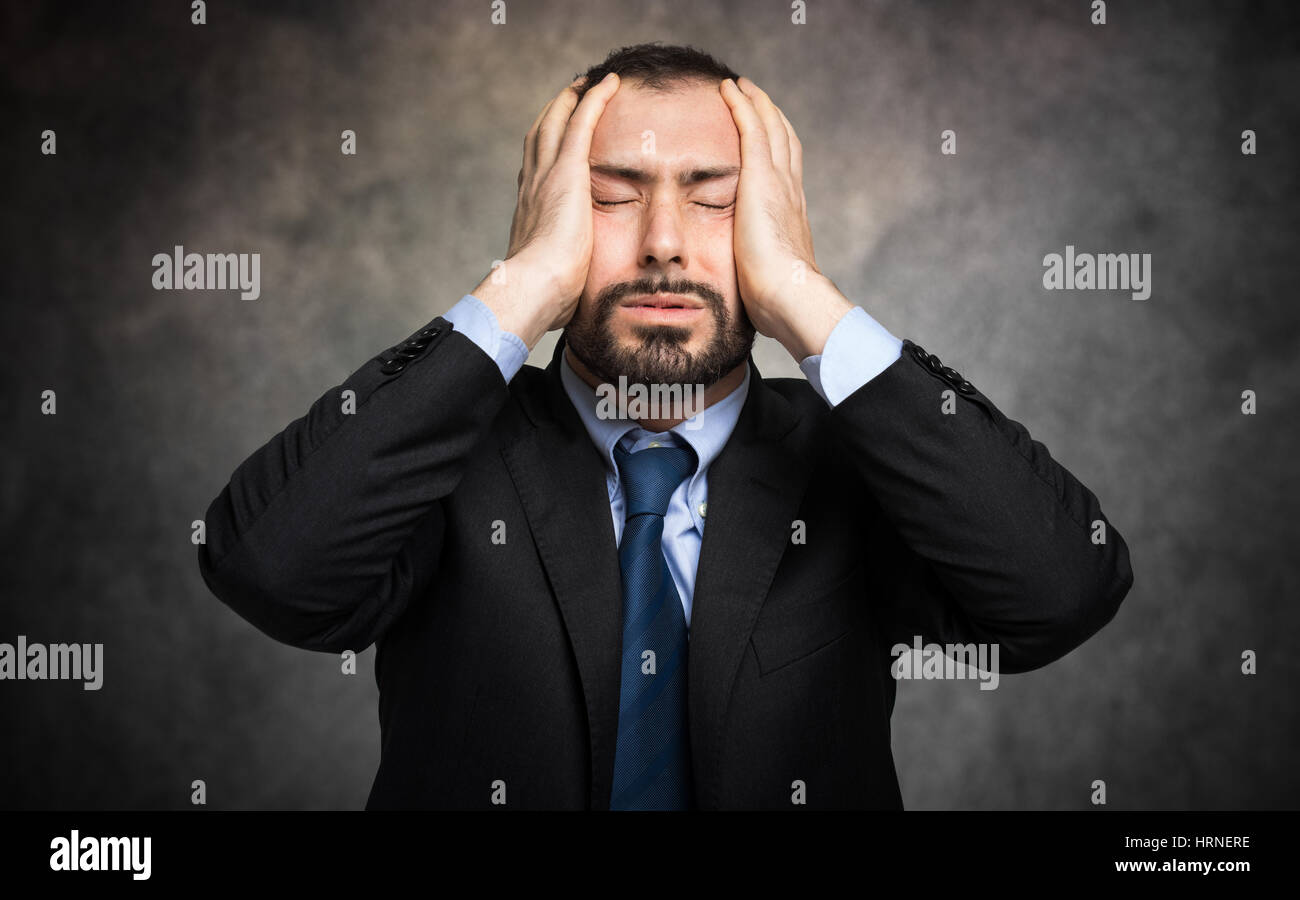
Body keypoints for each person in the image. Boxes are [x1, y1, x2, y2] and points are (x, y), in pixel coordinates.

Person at [197, 43, 1133, 810]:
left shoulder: (858, 459)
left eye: (715, 198)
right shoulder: (445, 453)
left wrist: (807, 296)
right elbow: (269, 568)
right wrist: (519, 286)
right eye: (609, 196)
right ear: (546, 216)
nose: (664, 242)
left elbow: (1062, 590)